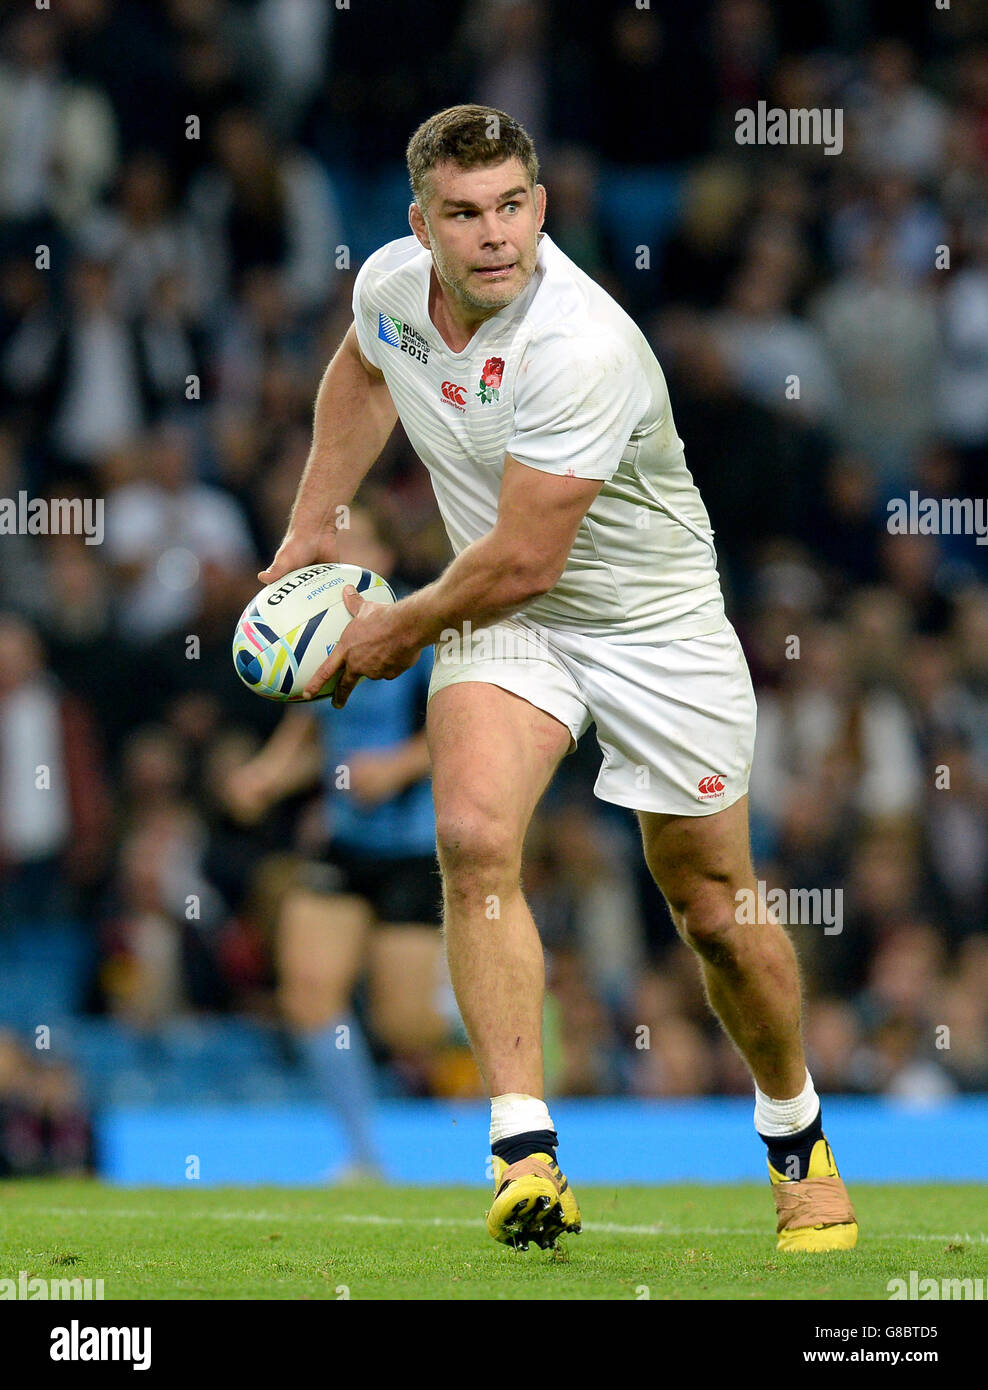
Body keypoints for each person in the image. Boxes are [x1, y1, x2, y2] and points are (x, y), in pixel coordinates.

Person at [259, 105, 857, 1252]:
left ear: (539, 204)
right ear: (419, 222)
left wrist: (398, 631)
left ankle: (794, 1132)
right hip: (508, 618)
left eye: (512, 207)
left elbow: (527, 557)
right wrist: (311, 527)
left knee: (713, 911)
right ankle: (523, 1150)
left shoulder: (581, 340)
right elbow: (361, 371)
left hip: (649, 625)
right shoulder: (390, 287)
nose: (494, 236)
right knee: (474, 836)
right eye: (464, 214)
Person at [228, 505, 442, 1176]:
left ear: (384, 552)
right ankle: (362, 1154)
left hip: (412, 843)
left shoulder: (423, 626)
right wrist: (265, 776)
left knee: (408, 1025)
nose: (339, 553)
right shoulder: (317, 637)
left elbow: (465, 725)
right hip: (343, 842)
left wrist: (399, 767)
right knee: (309, 990)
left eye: (354, 539)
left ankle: (517, 1001)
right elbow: (311, 737)